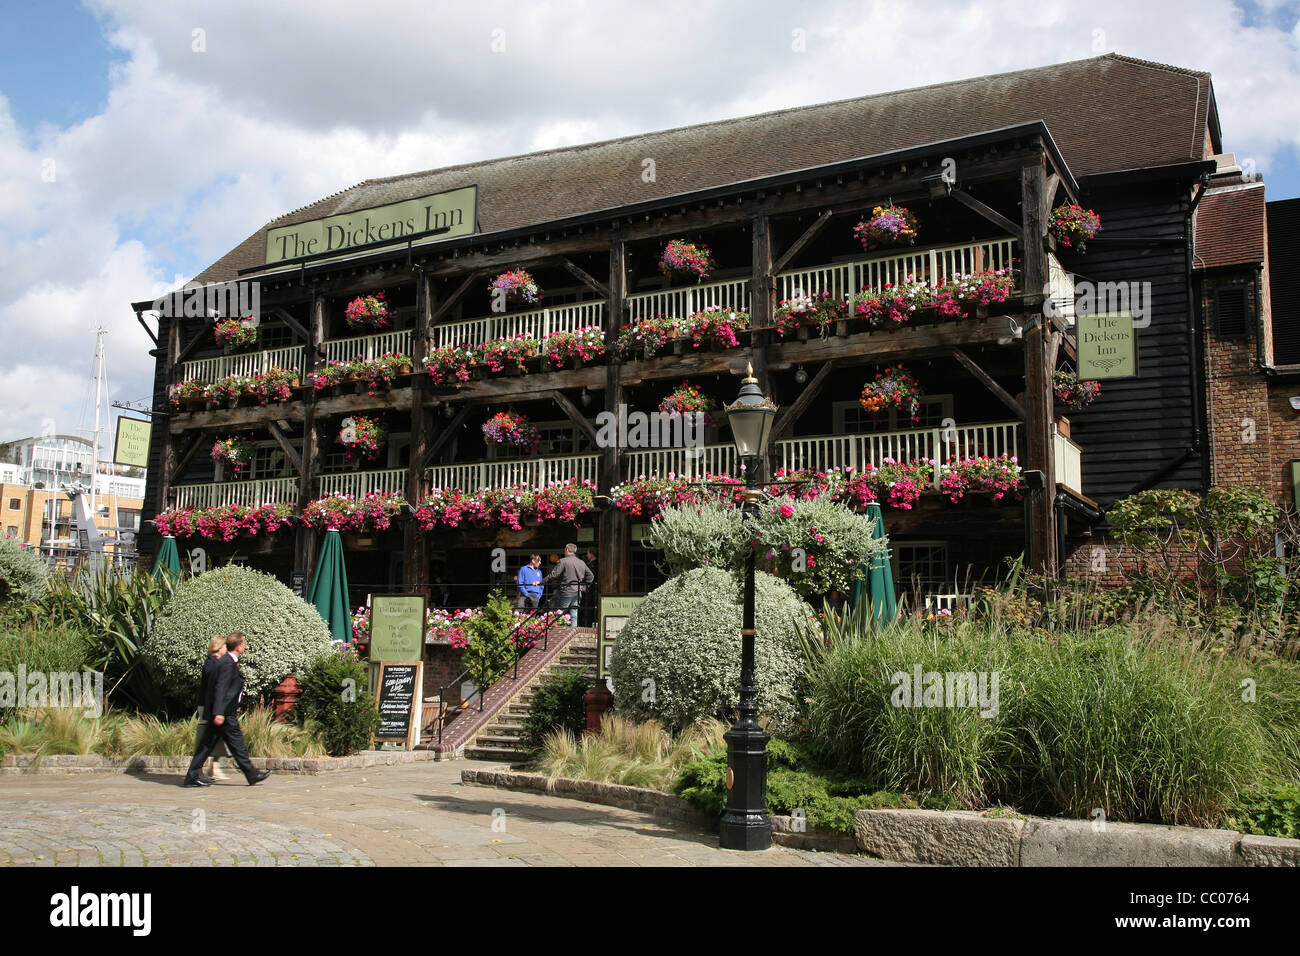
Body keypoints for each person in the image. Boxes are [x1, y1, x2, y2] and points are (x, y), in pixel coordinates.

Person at [183, 632, 272, 787]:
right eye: (243, 643)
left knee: (206, 745)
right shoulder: (227, 663)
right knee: (236, 744)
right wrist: (218, 712)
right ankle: (251, 774)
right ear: (239, 647)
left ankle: (192, 775)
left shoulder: (225, 662)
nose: (245, 645)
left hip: (222, 712)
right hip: (224, 713)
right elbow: (220, 689)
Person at [195, 635, 230, 781]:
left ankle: (213, 767)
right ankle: (198, 771)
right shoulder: (211, 664)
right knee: (205, 739)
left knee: (216, 737)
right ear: (219, 647)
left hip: (215, 707)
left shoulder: (216, 663)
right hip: (207, 707)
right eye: (225, 647)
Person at [542, 543, 593, 628]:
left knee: (559, 613)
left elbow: (554, 575)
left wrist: (541, 582)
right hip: (577, 592)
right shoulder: (581, 562)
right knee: (574, 614)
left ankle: (557, 633)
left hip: (566, 591)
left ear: (567, 550)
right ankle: (573, 633)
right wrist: (584, 587)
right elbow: (591, 576)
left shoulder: (563, 561)